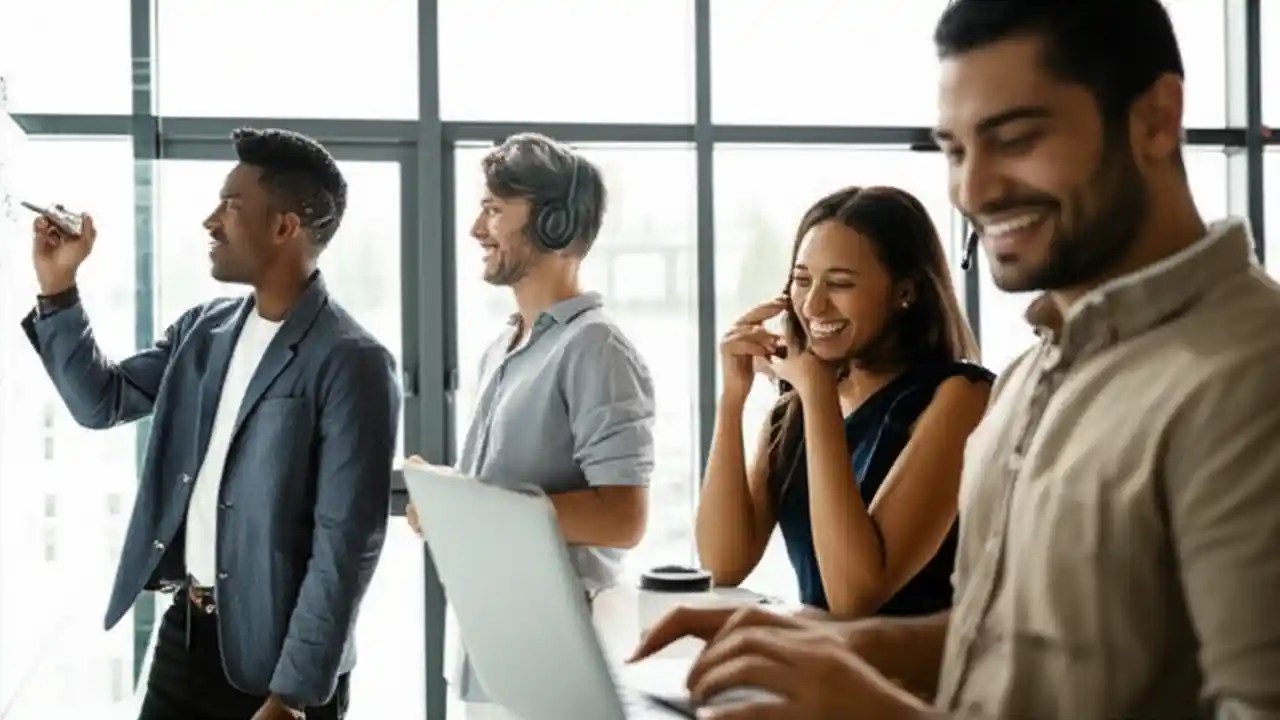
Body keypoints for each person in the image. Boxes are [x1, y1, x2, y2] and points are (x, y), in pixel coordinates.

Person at [631, 0, 1280, 717]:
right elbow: (1017, 639)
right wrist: (830, 646)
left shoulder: (1251, 375)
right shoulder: (1040, 372)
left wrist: (872, 707)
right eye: (956, 150)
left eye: (1017, 138)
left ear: (1156, 119)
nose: (972, 191)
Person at [22, 128, 401, 720]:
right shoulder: (204, 330)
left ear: (286, 226)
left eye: (230, 204)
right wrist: (58, 286)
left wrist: (292, 695)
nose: (210, 222)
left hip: (279, 666)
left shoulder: (353, 361)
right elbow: (102, 401)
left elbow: (346, 546)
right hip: (187, 636)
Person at [404, 133, 656, 718]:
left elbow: (623, 516)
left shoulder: (594, 347)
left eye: (494, 210)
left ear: (555, 223)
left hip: (556, 655)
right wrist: (454, 502)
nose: (476, 228)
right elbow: (502, 493)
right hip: (493, 650)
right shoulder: (505, 345)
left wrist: (469, 506)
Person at [696, 186, 992, 618]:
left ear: (904, 292)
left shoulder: (961, 397)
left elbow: (854, 597)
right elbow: (722, 565)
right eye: (801, 280)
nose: (813, 304)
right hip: (828, 667)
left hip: (920, 680)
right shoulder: (795, 408)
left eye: (840, 284)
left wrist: (817, 397)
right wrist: (732, 399)